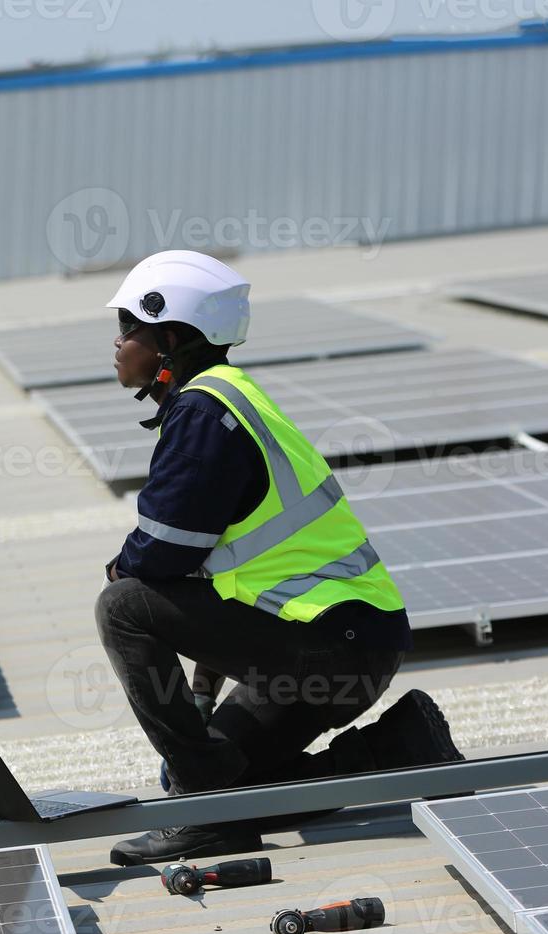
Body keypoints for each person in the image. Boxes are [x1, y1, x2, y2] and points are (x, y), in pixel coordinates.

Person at [94, 250, 463, 867]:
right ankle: (397, 748)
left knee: (121, 606)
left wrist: (118, 568)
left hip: (331, 643)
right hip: (349, 645)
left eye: (129, 326)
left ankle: (206, 816)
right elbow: (213, 581)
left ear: (171, 338)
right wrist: (200, 717)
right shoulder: (229, 397)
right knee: (229, 782)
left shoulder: (204, 413)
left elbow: (161, 555)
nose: (117, 341)